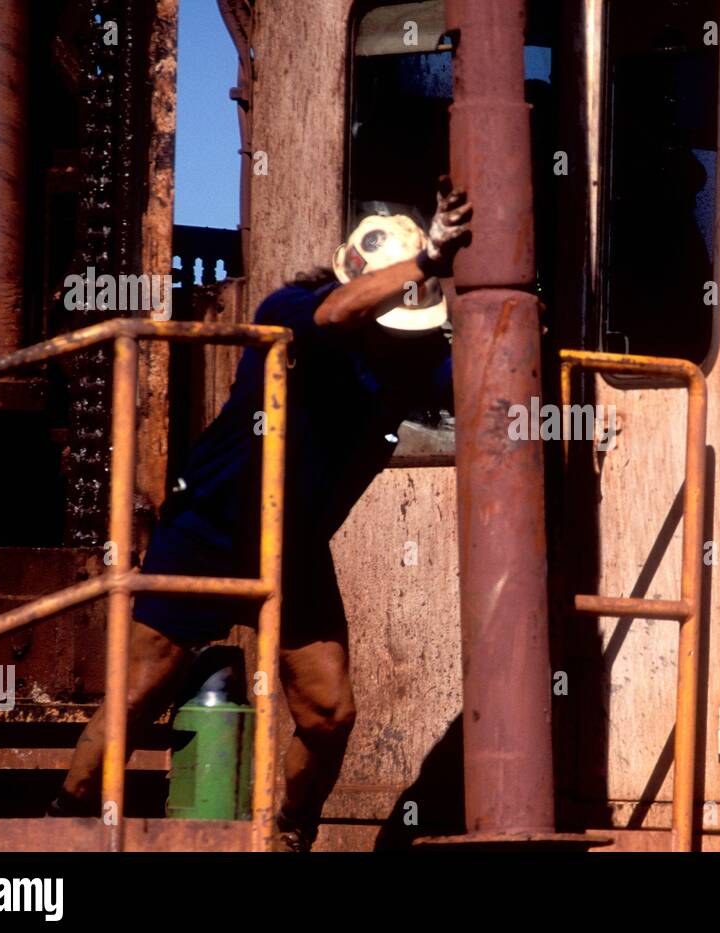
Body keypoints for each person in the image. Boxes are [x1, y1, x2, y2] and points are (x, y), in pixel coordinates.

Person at [48, 179, 473, 852]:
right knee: (134, 696)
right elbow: (336, 317)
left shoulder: (411, 357)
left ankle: (284, 834)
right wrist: (426, 261)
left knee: (330, 711)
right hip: (206, 530)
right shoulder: (292, 310)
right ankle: (63, 819)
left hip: (292, 544)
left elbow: (487, 377)